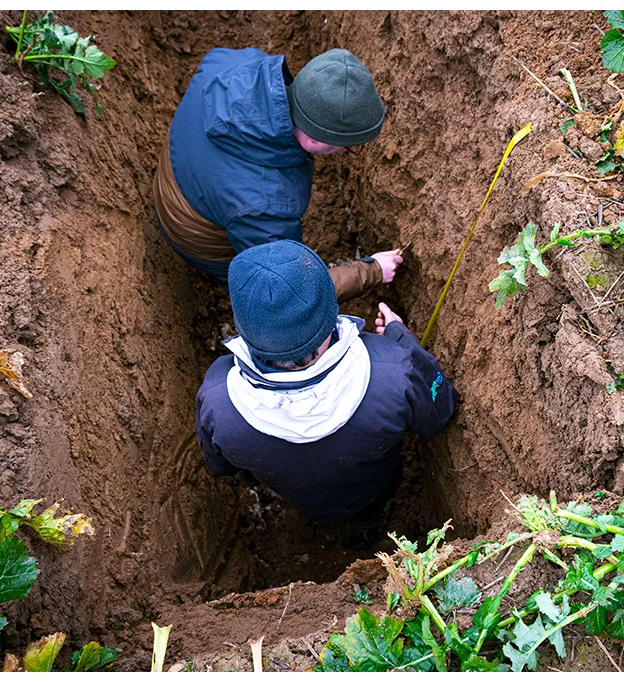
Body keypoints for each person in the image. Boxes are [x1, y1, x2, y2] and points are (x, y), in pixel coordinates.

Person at [195, 240, 458, 535]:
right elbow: (440, 411)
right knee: (368, 515)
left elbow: (220, 465)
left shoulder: (218, 398)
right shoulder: (393, 370)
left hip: (302, 498)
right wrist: (402, 341)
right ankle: (367, 530)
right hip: (370, 492)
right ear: (329, 316)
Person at [154, 46, 403, 300]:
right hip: (189, 230)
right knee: (265, 298)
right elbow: (288, 290)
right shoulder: (265, 203)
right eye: (350, 146)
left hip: (178, 163)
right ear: (315, 140)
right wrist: (371, 271)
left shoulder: (246, 63)